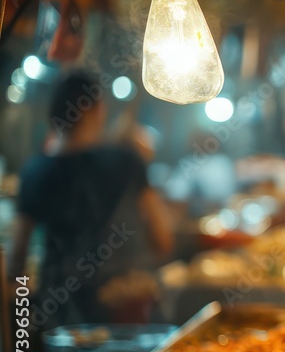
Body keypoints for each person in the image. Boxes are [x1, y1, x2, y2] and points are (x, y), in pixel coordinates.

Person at [7, 70, 173, 331]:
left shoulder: (34, 172)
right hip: (124, 313)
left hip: (58, 318)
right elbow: (162, 238)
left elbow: (17, 257)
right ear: (91, 109)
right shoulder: (126, 161)